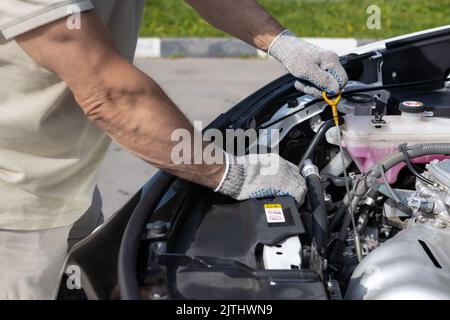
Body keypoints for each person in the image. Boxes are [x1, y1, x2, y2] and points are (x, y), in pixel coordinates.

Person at [0, 0, 348, 299]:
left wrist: (281, 43)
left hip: (68, 181)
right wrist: (229, 173)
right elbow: (111, 95)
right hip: (15, 210)